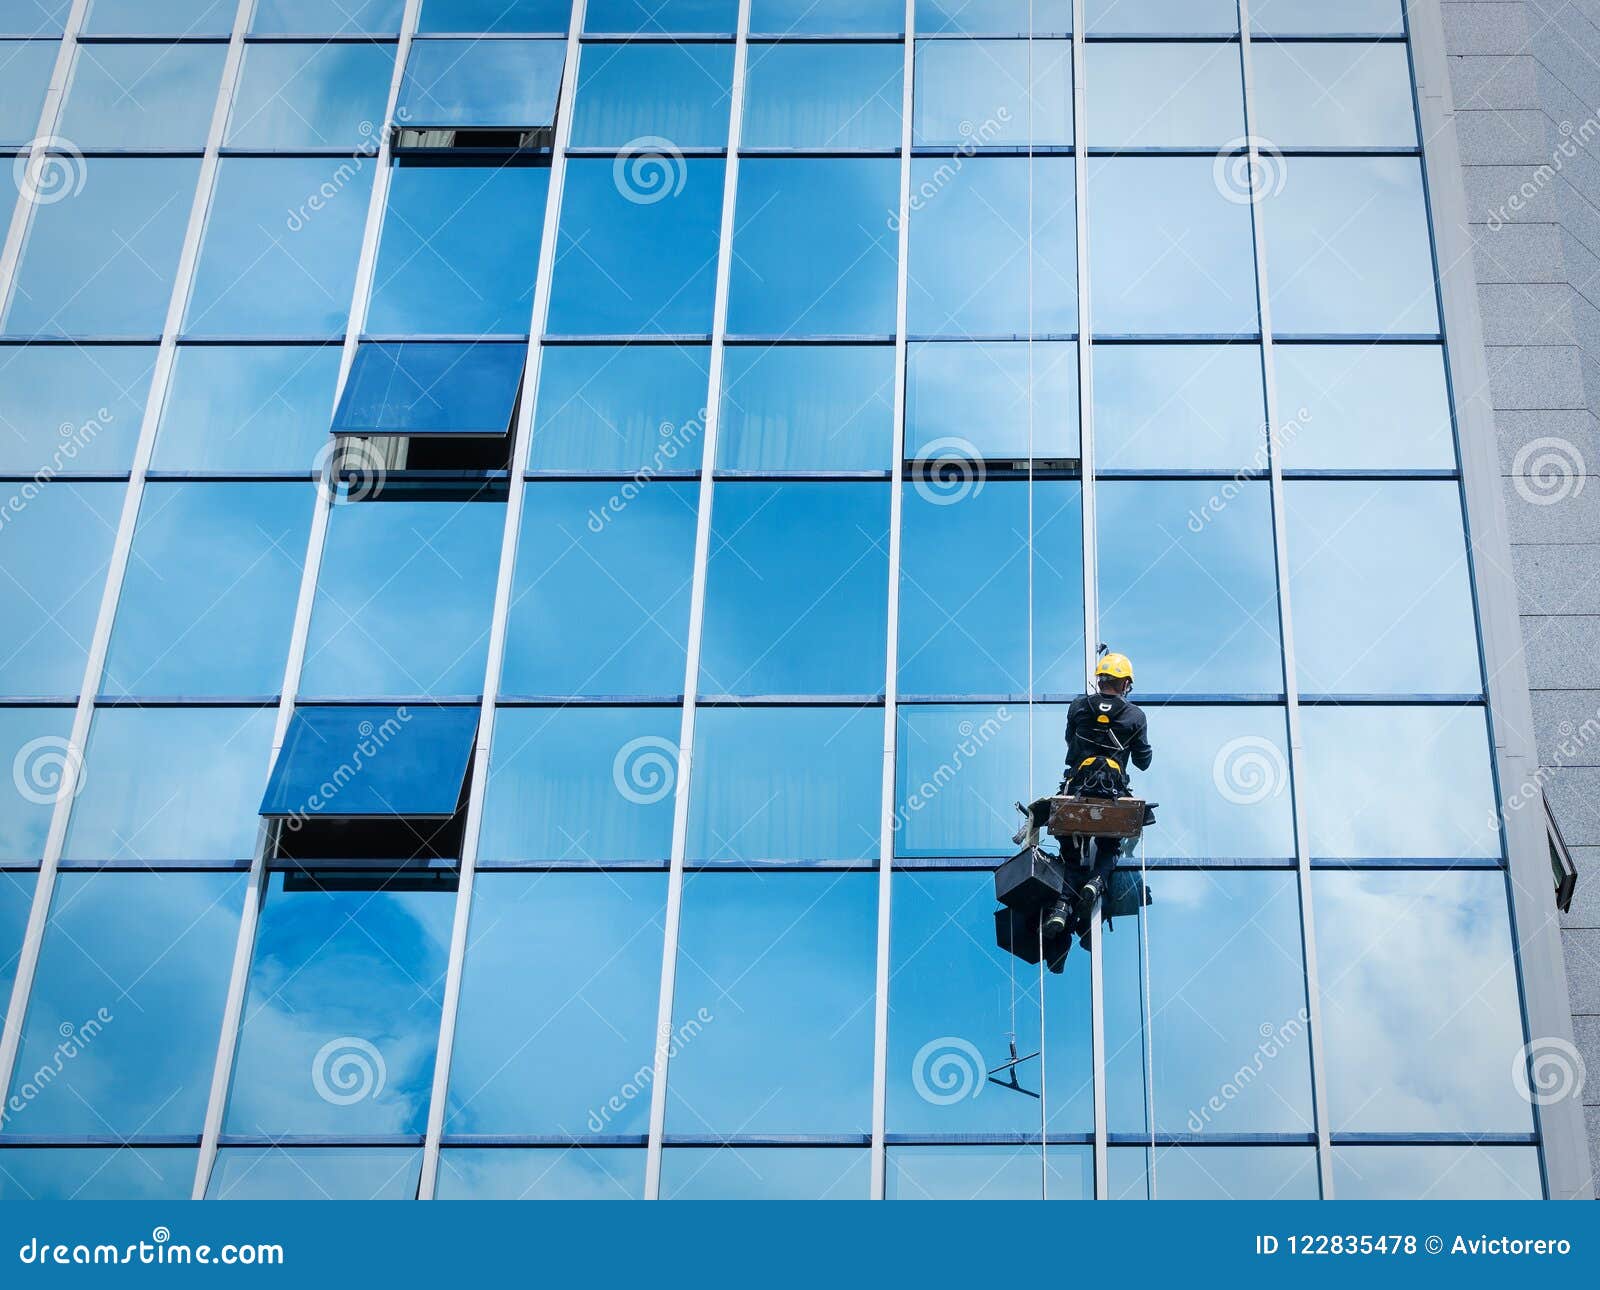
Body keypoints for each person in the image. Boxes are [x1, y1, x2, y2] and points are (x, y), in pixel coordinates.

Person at [1042, 652, 1152, 939]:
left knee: (1069, 855)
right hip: (1112, 794)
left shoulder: (1078, 706)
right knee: (1109, 847)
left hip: (1076, 790)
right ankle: (1097, 881)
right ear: (1126, 683)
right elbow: (1143, 761)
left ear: (1100, 679)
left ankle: (1063, 906)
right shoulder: (1135, 715)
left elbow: (1071, 742)